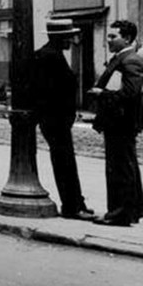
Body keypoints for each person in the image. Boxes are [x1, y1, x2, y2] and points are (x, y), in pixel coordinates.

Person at [30, 19, 95, 220]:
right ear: (60, 37)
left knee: (65, 161)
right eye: (69, 36)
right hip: (55, 119)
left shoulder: (50, 54)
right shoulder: (50, 57)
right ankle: (72, 206)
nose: (72, 39)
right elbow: (50, 91)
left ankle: (76, 203)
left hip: (55, 118)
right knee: (65, 161)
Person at [87, 19, 143, 227]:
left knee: (119, 168)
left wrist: (103, 94)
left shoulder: (130, 60)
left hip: (120, 122)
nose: (108, 40)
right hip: (118, 122)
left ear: (127, 38)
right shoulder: (122, 58)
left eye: (113, 36)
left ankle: (119, 214)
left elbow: (130, 93)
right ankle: (131, 210)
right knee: (126, 165)